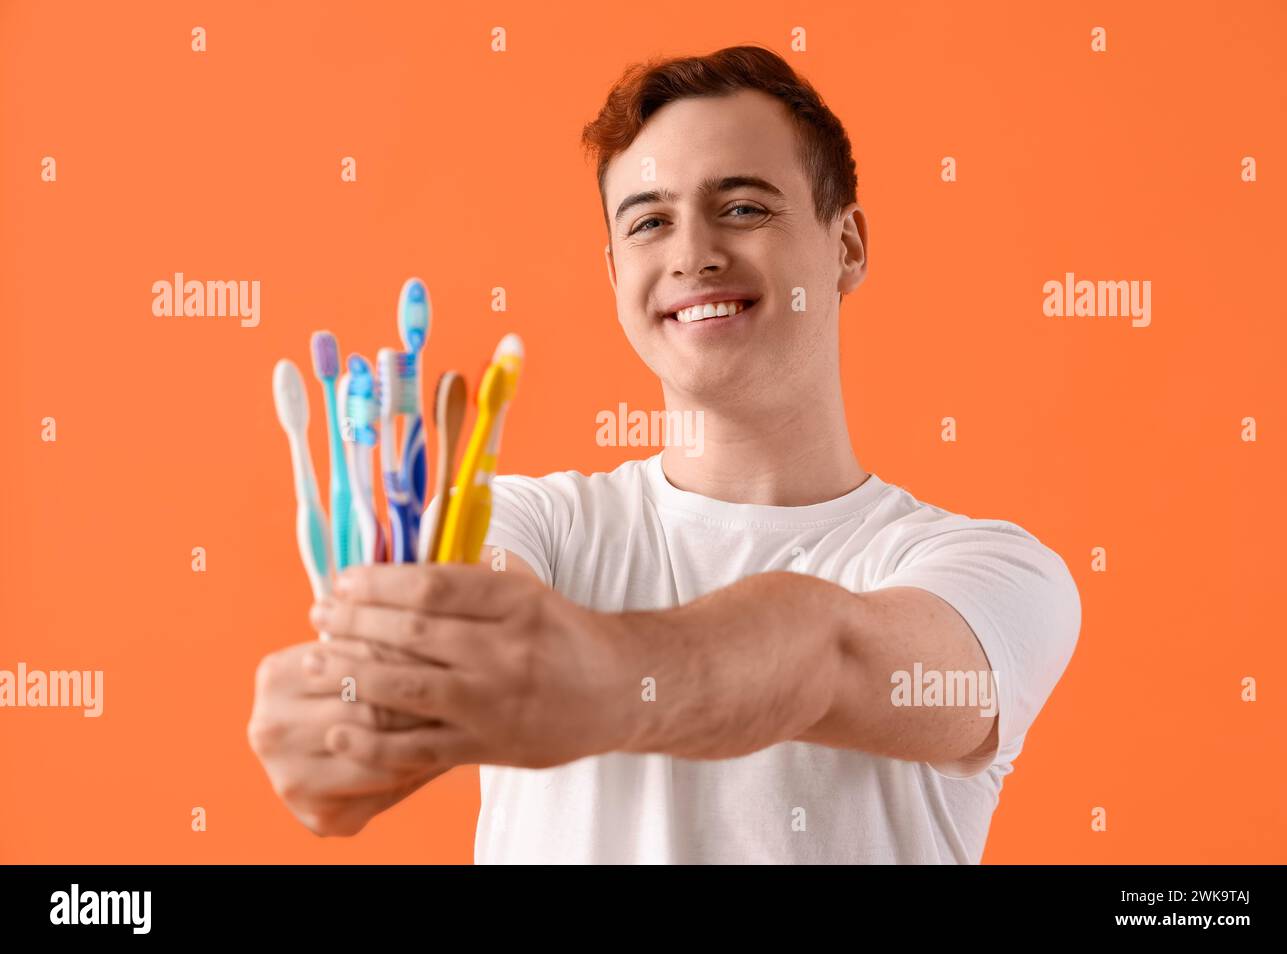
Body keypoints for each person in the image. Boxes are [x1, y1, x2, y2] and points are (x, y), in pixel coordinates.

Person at [248, 45, 1081, 864]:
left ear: (848, 245)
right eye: (649, 221)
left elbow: (833, 657)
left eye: (745, 207)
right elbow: (473, 611)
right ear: (615, 274)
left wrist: (600, 680)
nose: (692, 254)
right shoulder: (525, 519)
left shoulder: (996, 578)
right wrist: (361, 711)